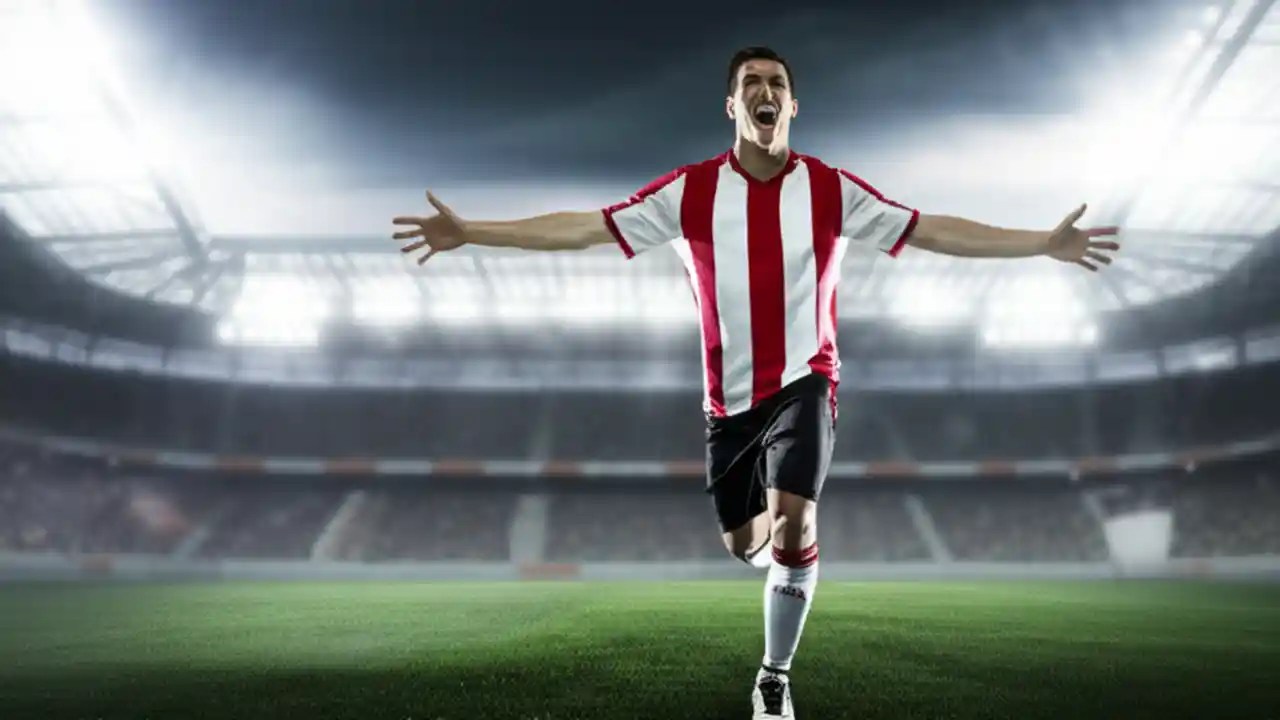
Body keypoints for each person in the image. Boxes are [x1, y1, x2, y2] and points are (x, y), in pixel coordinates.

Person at [392, 46, 1120, 720]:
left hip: (806, 383)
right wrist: (473, 231)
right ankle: (789, 563)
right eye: (751, 84)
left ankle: (774, 676)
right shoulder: (689, 193)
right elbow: (583, 228)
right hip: (728, 409)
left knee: (795, 519)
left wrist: (1041, 244)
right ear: (732, 105)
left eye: (776, 83)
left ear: (792, 106)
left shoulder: (831, 189)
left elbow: (933, 230)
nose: (764, 91)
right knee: (748, 546)